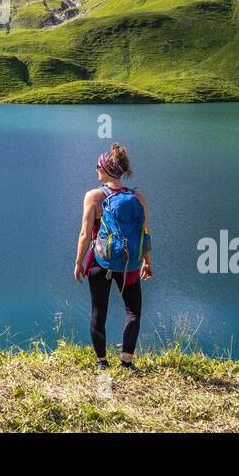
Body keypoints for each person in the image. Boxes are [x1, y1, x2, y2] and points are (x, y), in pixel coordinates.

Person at [73, 143, 152, 371]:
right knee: (133, 311)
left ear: (107, 170)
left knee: (99, 312)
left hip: (100, 262)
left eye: (99, 166)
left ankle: (102, 363)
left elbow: (85, 234)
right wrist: (148, 262)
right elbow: (144, 233)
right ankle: (126, 363)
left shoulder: (94, 197)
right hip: (130, 265)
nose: (96, 169)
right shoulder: (138, 197)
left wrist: (79, 262)